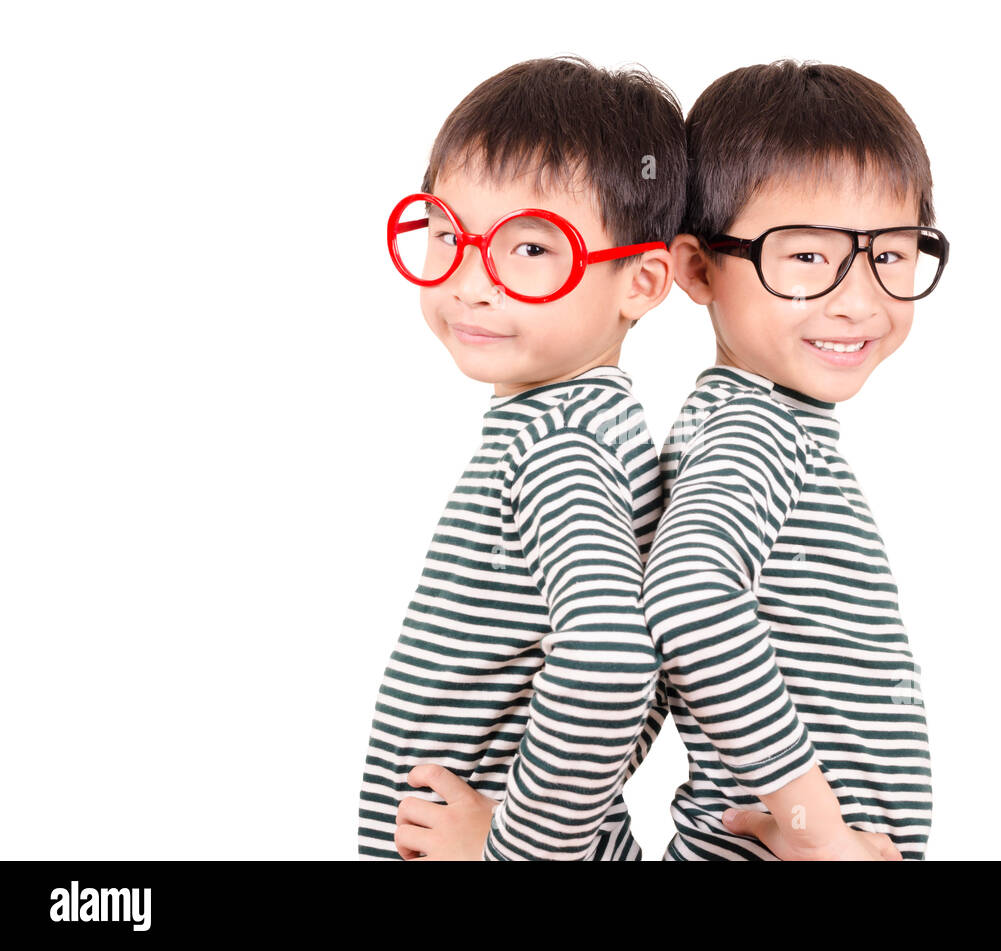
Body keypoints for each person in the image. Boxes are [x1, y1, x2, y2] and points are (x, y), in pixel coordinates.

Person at [357, 56, 683, 861]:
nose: (470, 280)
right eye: (447, 234)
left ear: (639, 282)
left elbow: (609, 660)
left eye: (530, 249)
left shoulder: (560, 446)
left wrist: (508, 843)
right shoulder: (576, 425)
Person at [642, 59, 949, 861]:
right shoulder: (755, 431)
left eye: (891, 253)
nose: (861, 298)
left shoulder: (761, 424)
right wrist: (817, 829)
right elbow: (685, 598)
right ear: (699, 268)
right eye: (807, 258)